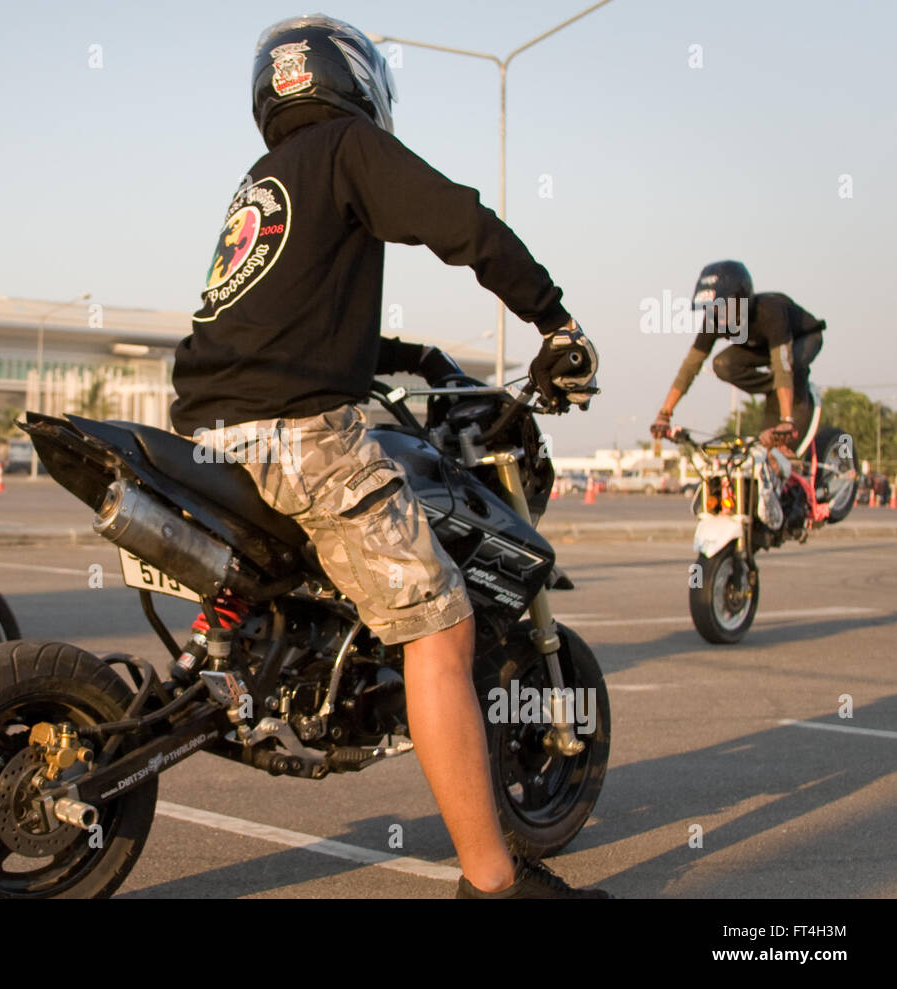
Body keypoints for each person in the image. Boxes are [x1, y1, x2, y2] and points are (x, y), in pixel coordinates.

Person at [171, 17, 605, 898]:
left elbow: (297, 326)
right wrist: (554, 318)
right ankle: (494, 882)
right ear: (353, 79)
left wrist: (408, 359)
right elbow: (463, 223)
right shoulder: (348, 146)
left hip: (212, 435)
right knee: (442, 626)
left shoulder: (262, 180)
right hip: (301, 439)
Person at [650, 260, 826, 450]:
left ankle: (793, 400)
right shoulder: (714, 320)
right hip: (765, 349)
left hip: (803, 339)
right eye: (713, 308)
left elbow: (782, 365)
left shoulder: (770, 312)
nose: (719, 314)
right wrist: (664, 414)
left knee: (787, 368)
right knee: (722, 364)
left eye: (725, 306)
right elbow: (689, 368)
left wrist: (786, 421)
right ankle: (776, 388)